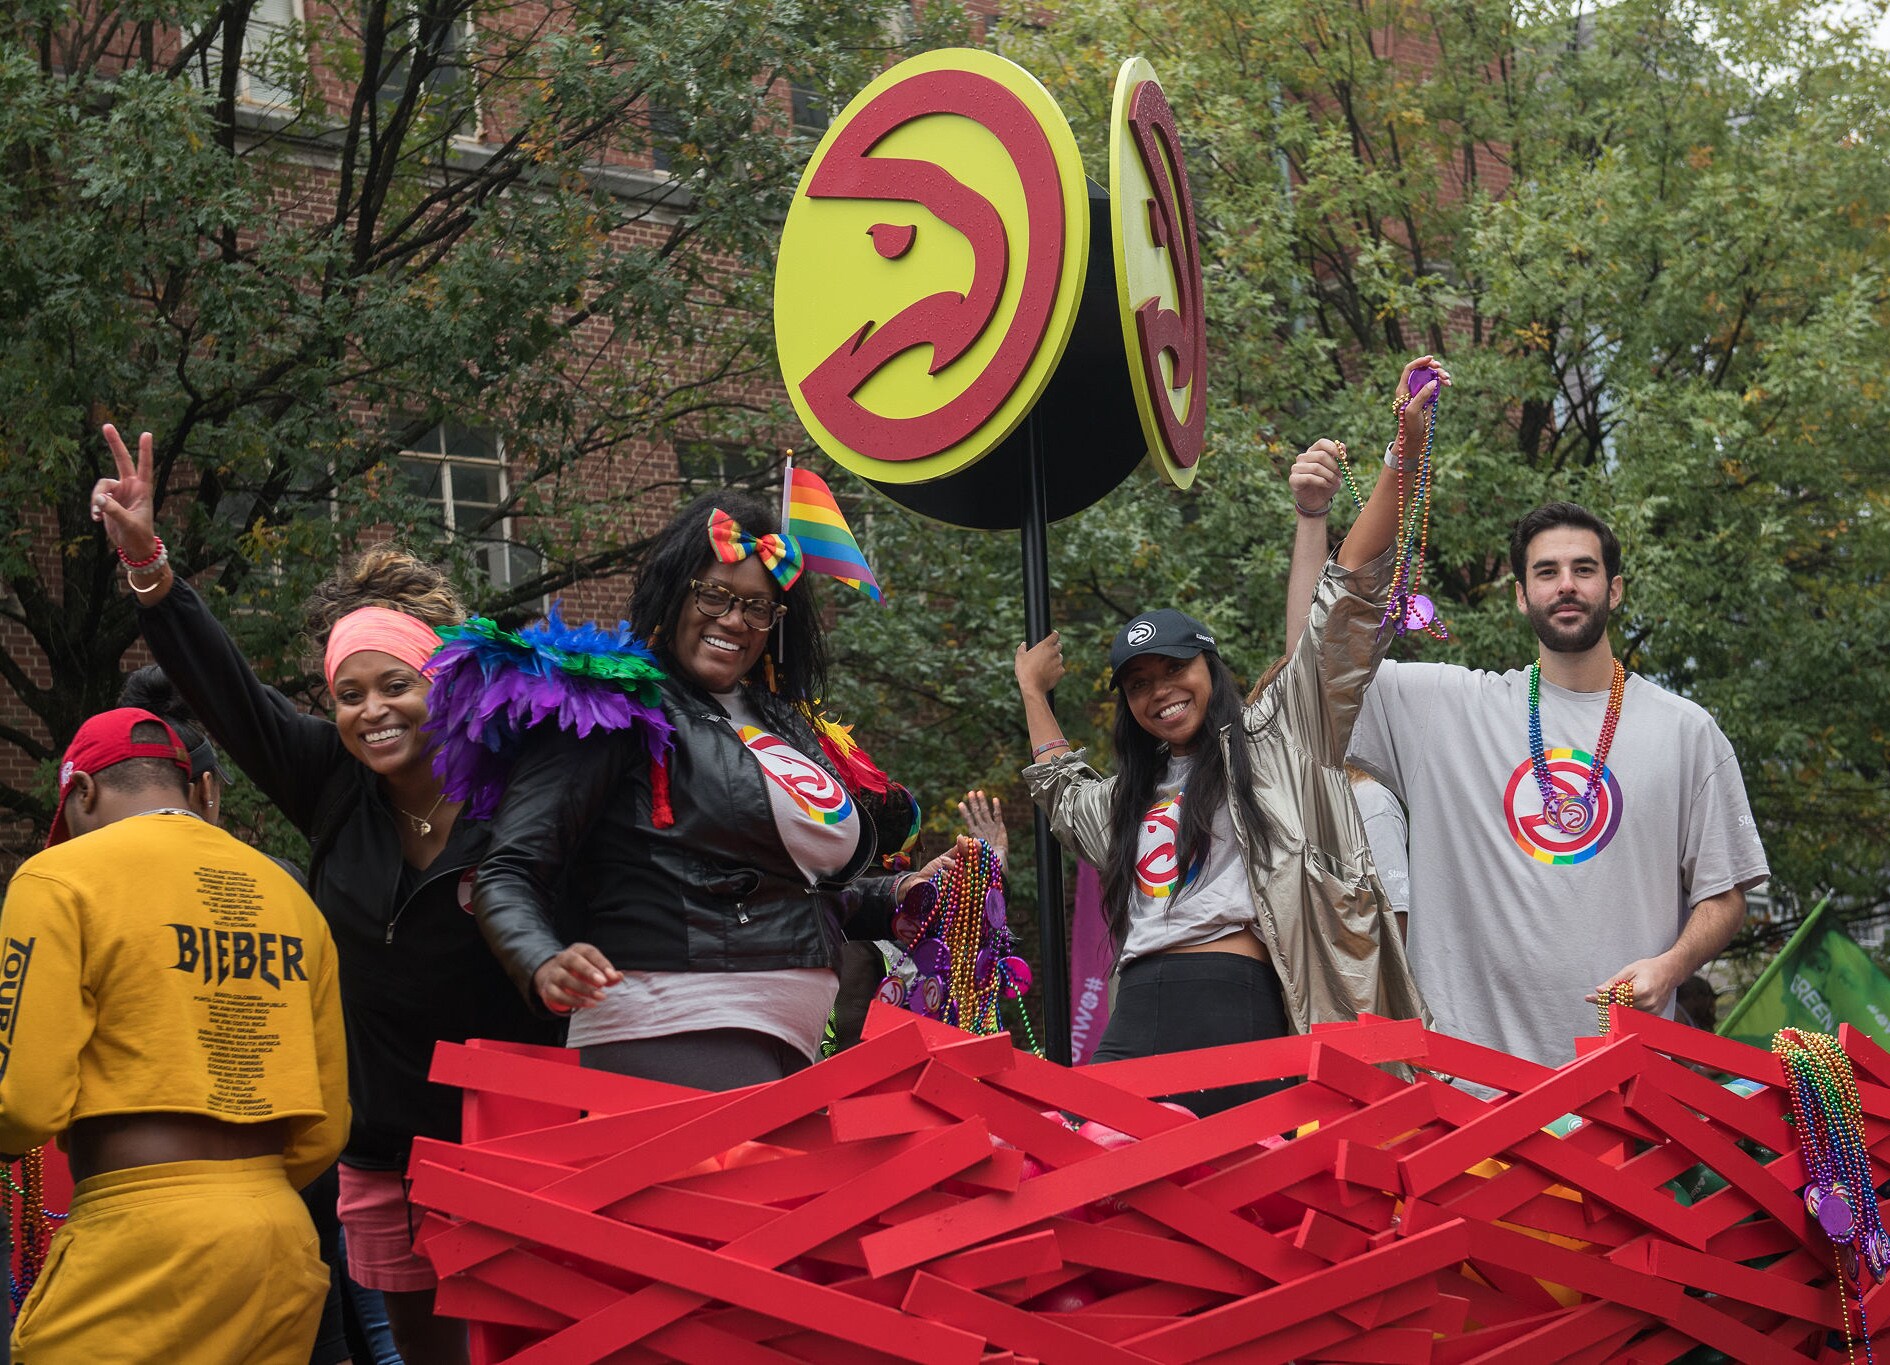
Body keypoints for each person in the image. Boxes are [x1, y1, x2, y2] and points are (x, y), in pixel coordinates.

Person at [91, 425, 558, 1365]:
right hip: (384, 1144)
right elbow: (225, 689)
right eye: (349, 694)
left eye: (396, 685)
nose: (371, 710)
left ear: (444, 686)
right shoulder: (330, 782)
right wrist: (149, 565)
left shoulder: (523, 789)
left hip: (514, 1142)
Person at [1014, 358, 1443, 1114]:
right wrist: (1030, 690)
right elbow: (1058, 787)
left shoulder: (1273, 742)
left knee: (1242, 1205)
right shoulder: (1125, 799)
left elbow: (1342, 597)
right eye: (1139, 683)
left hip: (1235, 999)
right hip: (1136, 1006)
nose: (1159, 691)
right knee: (1107, 1189)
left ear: (1209, 668)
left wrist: (1400, 454)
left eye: (1173, 669)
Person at [471, 490, 928, 1086]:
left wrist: (902, 896)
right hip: (666, 1032)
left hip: (791, 1043)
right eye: (714, 594)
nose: (734, 620)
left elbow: (797, 894)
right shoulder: (613, 703)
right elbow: (509, 866)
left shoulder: (786, 722)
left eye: (758, 608)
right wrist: (539, 959)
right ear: (675, 590)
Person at [1346, 501, 1770, 1070]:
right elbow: (1318, 664)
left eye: (1584, 569)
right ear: (1522, 595)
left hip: (1624, 1082)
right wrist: (1312, 515)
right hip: (1467, 1082)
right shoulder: (1446, 712)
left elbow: (1724, 892)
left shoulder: (1685, 732)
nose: (1566, 585)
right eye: (1546, 572)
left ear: (1614, 590)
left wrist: (1670, 967)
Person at [1, 709, 347, 1363]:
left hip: (137, 1237)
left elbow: (22, 1104)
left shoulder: (56, 876)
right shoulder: (289, 894)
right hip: (278, 1234)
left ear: (83, 793)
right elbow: (327, 1129)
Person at [116, 665, 401, 1365]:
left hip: (141, 1192)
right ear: (210, 790)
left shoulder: (84, 892)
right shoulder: (281, 886)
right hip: (292, 1172)